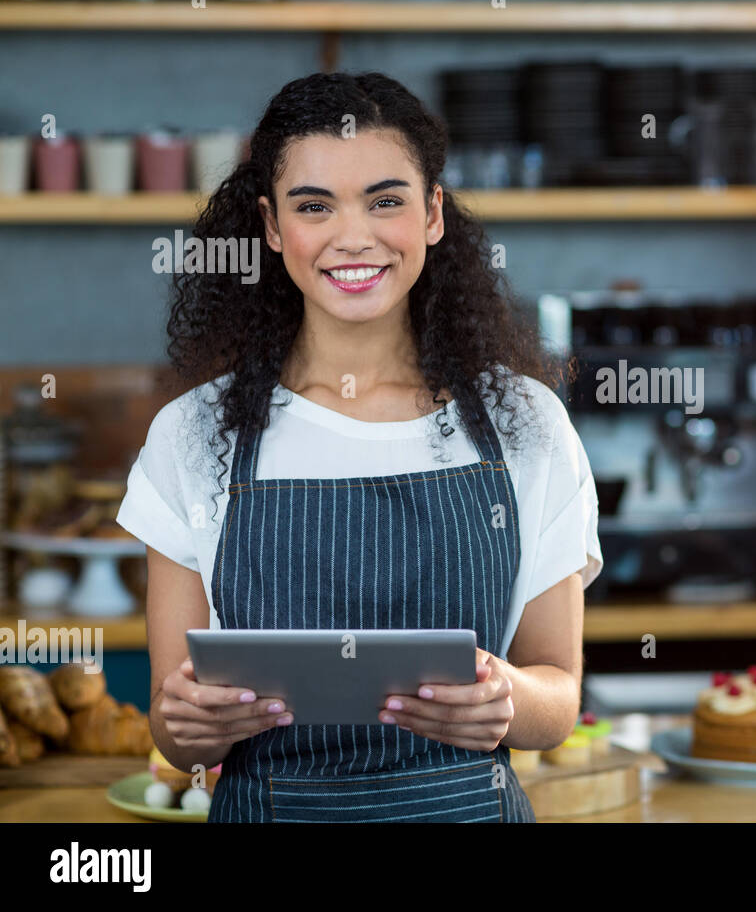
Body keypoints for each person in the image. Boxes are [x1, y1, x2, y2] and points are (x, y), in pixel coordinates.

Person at [115, 71, 601, 822]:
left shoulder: (526, 425)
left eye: (386, 200)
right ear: (272, 227)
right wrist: (186, 724)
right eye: (314, 206)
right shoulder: (192, 436)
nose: (353, 237)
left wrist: (505, 698)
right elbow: (173, 732)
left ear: (433, 212)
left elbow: (559, 696)